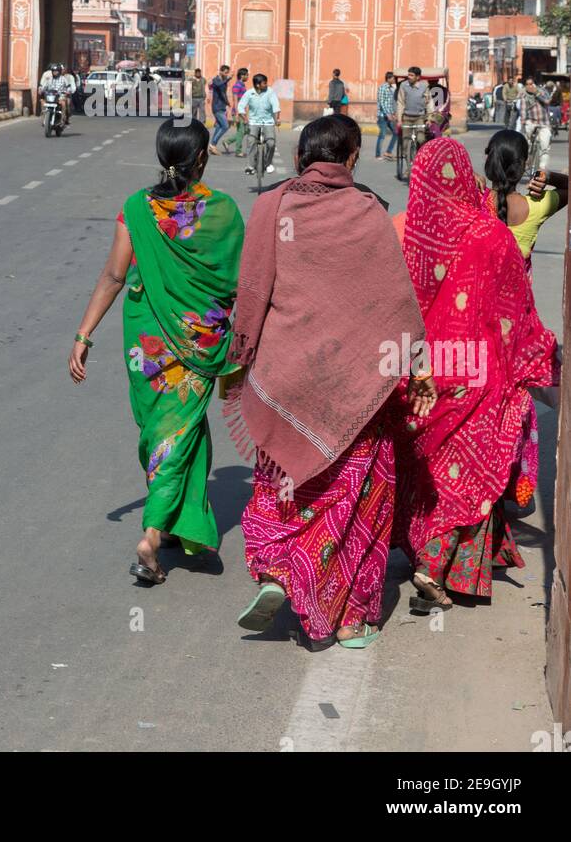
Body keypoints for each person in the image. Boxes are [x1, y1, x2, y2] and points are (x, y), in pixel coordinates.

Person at [226, 114, 427, 649]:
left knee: (285, 486)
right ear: (353, 158)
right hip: (354, 387)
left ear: (299, 159)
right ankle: (353, 618)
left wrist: (239, 355)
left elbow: (253, 291)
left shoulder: (271, 207)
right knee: (358, 495)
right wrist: (415, 362)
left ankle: (276, 572)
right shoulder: (369, 213)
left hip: (286, 376)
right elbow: (393, 302)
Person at [69, 118, 244, 583]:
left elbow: (113, 276)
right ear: (202, 157)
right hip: (199, 342)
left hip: (145, 345)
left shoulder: (136, 209)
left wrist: (84, 335)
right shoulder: (223, 211)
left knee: (164, 432)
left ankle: (177, 527)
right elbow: (238, 282)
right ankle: (151, 534)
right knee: (176, 435)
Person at [390, 137, 558, 612]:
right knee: (470, 471)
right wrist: (539, 359)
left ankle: (422, 551)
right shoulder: (493, 234)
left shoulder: (411, 236)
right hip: (481, 375)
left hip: (424, 372)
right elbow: (519, 315)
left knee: (431, 467)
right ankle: (436, 564)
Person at [481, 129, 568, 268]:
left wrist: (471, 176)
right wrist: (548, 176)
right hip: (517, 289)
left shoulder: (474, 197)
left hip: (475, 289)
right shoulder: (537, 206)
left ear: (489, 161)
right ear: (524, 164)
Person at [238, 73, 281, 176]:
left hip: (268, 121)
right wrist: (245, 119)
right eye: (264, 83)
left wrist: (276, 119)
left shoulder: (270, 92)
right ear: (257, 85)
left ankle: (268, 163)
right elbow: (241, 106)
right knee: (251, 141)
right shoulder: (249, 93)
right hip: (253, 121)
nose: (266, 85)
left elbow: (276, 106)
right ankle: (251, 166)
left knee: (271, 143)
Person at [516, 76, 552, 172]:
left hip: (544, 123)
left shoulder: (542, 92)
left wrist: (536, 93)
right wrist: (523, 122)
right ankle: (526, 161)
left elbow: (547, 101)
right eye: (527, 84)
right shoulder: (524, 95)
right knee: (525, 142)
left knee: (545, 145)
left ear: (534, 84)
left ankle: (542, 168)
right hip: (531, 122)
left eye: (531, 84)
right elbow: (523, 111)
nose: (529, 86)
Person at [395, 65, 429, 160]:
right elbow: (400, 102)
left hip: (419, 118)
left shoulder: (424, 86)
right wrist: (399, 120)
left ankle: (419, 156)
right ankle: (408, 162)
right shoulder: (403, 85)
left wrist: (430, 118)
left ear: (418, 77)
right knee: (405, 142)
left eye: (411, 75)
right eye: (408, 74)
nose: (409, 77)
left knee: (421, 139)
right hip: (407, 117)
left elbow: (429, 102)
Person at [208, 64, 231, 154]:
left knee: (219, 126)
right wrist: (228, 79)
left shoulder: (223, 81)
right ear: (221, 71)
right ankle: (213, 144)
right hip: (217, 106)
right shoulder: (216, 80)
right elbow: (218, 85)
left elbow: (223, 93)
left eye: (227, 73)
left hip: (222, 106)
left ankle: (213, 146)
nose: (226, 74)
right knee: (225, 126)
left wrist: (227, 102)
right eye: (225, 72)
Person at [226, 68, 250, 155]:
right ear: (242, 76)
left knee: (247, 130)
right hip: (239, 112)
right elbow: (235, 101)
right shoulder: (237, 86)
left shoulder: (243, 86)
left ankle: (228, 142)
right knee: (241, 131)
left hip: (243, 112)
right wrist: (236, 114)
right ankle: (238, 151)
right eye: (247, 75)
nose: (248, 76)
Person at [376, 70, 396, 160]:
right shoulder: (382, 88)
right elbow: (382, 102)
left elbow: (391, 103)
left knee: (396, 133)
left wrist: (393, 113)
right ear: (388, 78)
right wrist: (387, 114)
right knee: (382, 135)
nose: (394, 80)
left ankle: (388, 151)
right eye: (393, 78)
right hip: (382, 116)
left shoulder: (392, 88)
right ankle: (378, 155)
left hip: (390, 115)